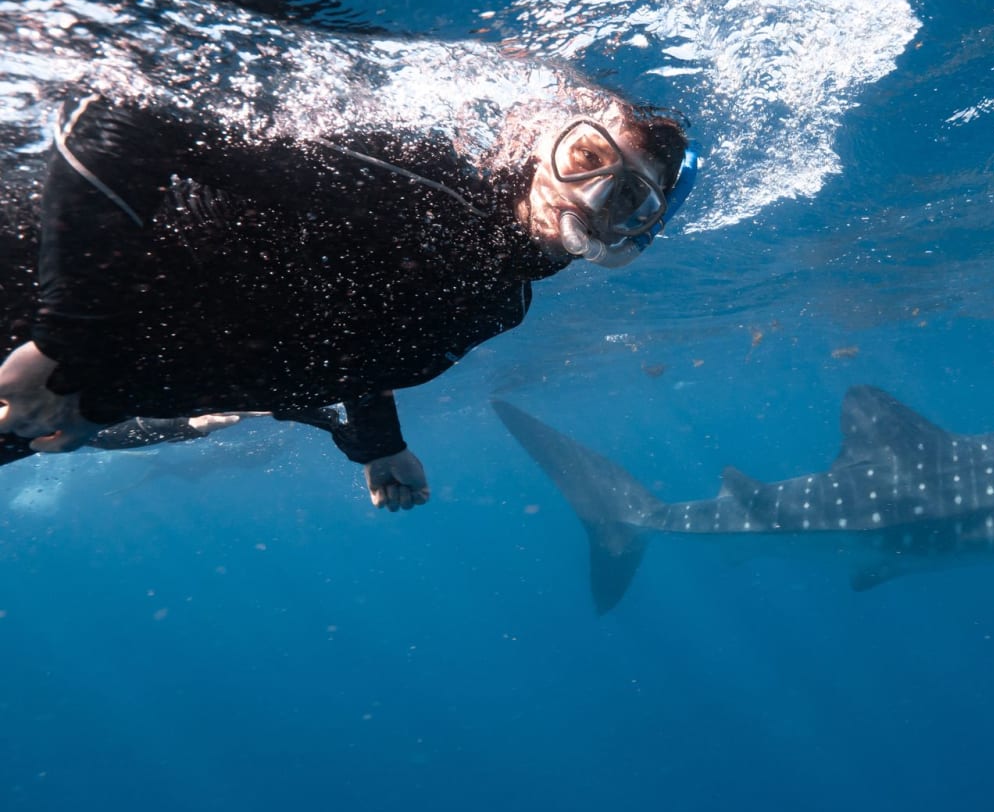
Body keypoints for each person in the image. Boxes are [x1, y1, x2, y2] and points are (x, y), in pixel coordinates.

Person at [0, 81, 696, 511]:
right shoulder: (414, 185)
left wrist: (374, 441)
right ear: (549, 141)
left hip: (55, 401)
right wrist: (68, 340)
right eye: (586, 158)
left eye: (628, 198)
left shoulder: (502, 302)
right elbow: (122, 113)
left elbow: (349, 334)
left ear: (634, 236)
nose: (591, 193)